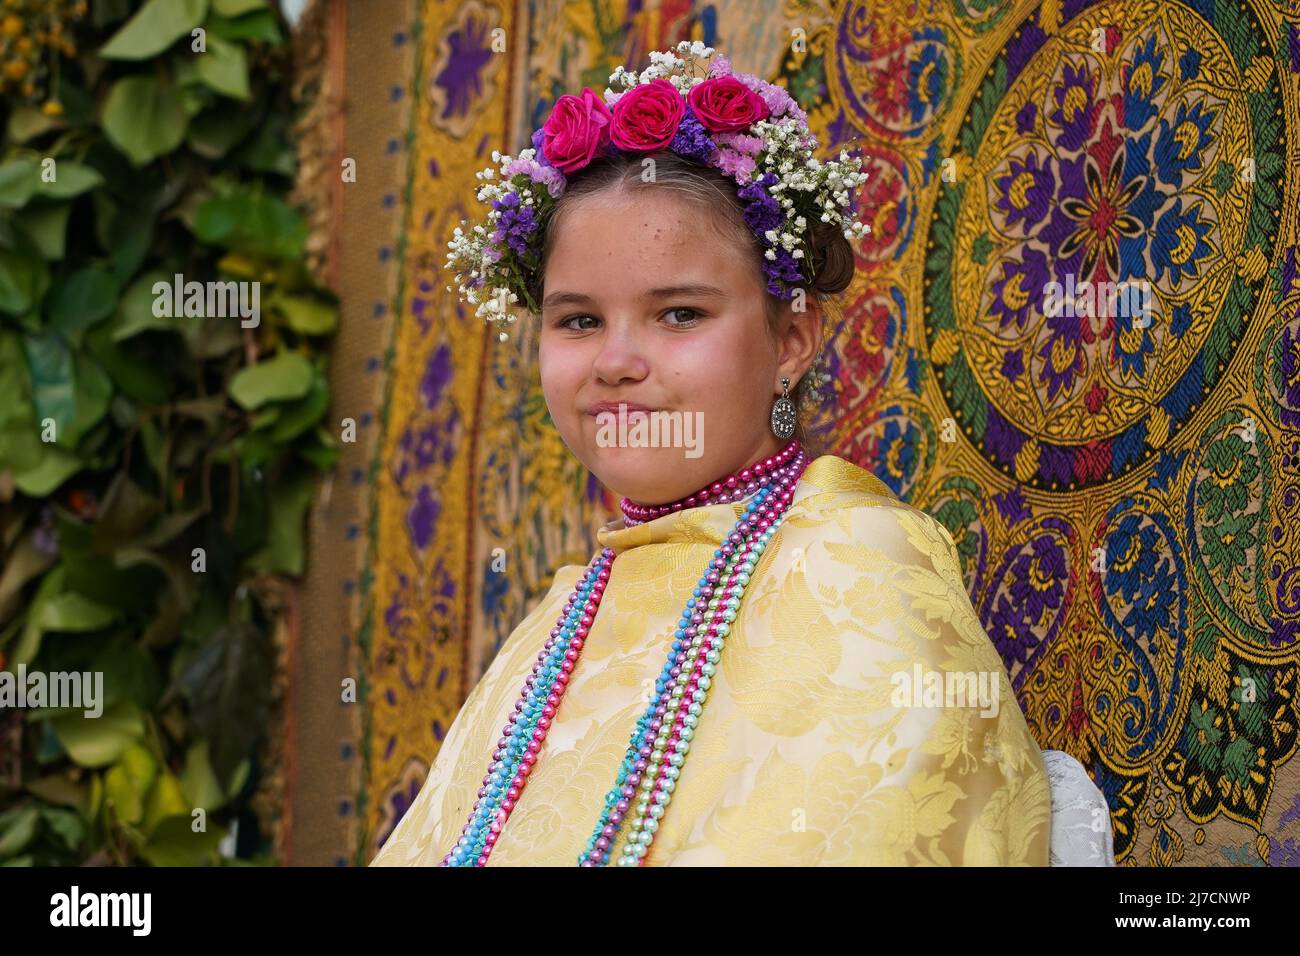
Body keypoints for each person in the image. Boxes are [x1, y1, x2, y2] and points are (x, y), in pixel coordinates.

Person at [370, 42, 1050, 866]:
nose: (616, 360)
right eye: (578, 321)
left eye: (680, 314)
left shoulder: (859, 573)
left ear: (792, 337)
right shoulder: (548, 632)